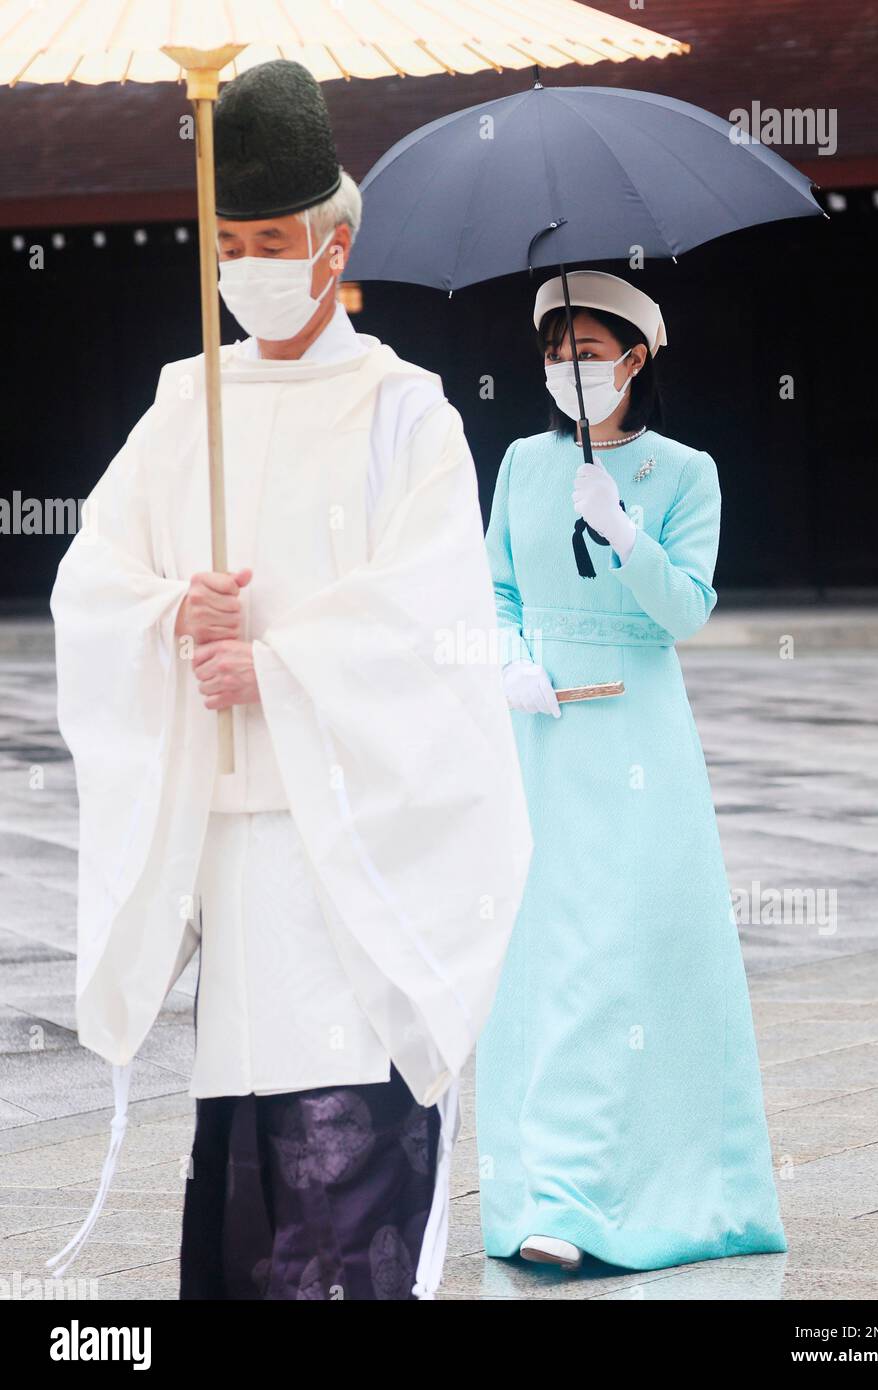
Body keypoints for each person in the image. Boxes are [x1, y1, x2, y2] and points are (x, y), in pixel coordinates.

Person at [47, 59, 531, 1301]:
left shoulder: (404, 414)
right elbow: (92, 582)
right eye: (231, 240)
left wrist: (278, 664)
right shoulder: (180, 405)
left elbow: (432, 614)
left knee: (345, 1119)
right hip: (230, 830)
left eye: (274, 239)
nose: (250, 262)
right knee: (244, 1135)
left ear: (331, 245)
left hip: (348, 831)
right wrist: (170, 614)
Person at [475, 269, 786, 1273]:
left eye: (587, 350)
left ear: (634, 358)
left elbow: (686, 610)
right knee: (545, 957)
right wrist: (508, 655)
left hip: (639, 737)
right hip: (541, 738)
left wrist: (621, 529)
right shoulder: (522, 461)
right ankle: (540, 1190)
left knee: (628, 958)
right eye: (554, 352)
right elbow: (496, 585)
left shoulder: (684, 472)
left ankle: (620, 1194)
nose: (569, 369)